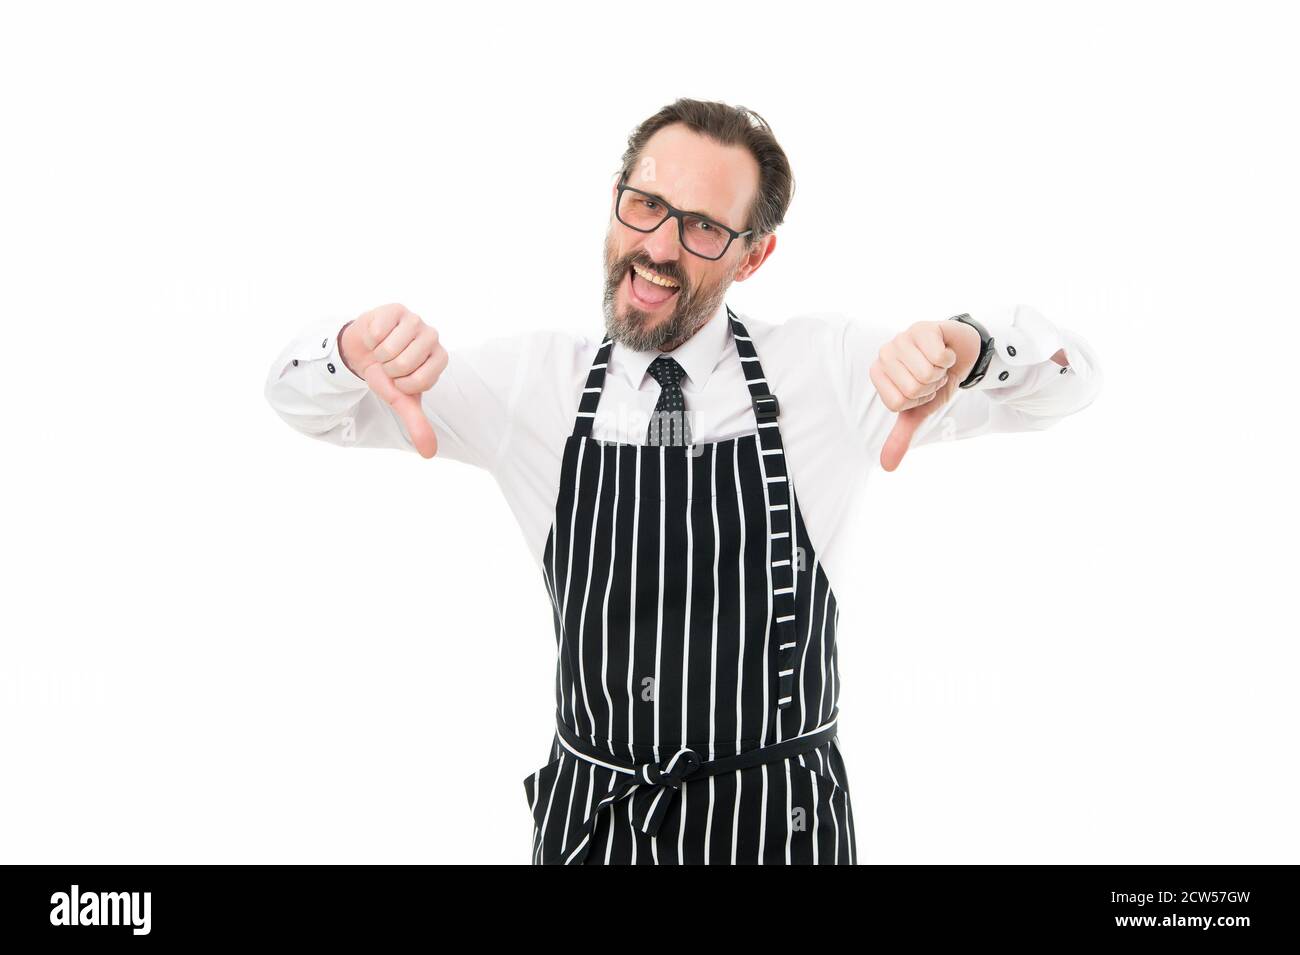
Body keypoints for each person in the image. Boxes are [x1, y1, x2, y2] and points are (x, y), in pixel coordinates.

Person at [264, 98, 1102, 865]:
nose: (659, 246)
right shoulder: (534, 387)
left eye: (703, 227)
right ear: (617, 200)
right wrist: (346, 347)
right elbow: (307, 406)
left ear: (755, 253)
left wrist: (974, 347)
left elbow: (1072, 380)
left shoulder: (830, 374)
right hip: (596, 827)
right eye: (647, 205)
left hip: (778, 828)